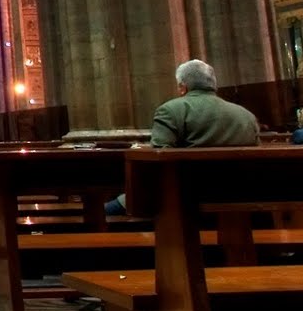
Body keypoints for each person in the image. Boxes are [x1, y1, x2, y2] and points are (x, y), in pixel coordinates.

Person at [105, 60, 259, 215]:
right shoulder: (246, 115)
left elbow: (159, 158)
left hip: (187, 196)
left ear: (182, 87)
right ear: (213, 85)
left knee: (108, 210)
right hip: (243, 194)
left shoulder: (171, 110)